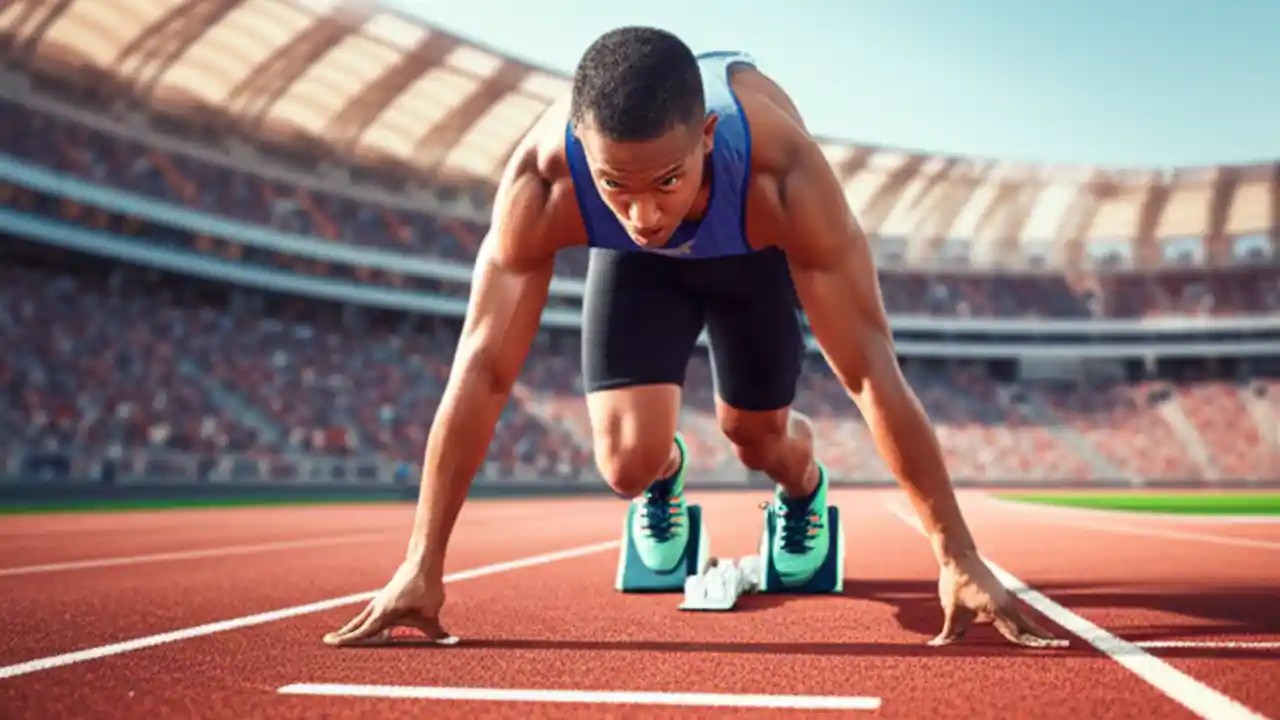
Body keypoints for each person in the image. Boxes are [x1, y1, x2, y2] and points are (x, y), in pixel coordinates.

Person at [325, 27, 1066, 649]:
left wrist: (956, 553)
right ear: (582, 147)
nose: (643, 215)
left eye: (666, 181)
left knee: (755, 439)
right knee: (626, 464)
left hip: (750, 252)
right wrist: (421, 562)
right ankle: (665, 471)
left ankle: (802, 489)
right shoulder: (546, 183)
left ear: (707, 137)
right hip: (636, 273)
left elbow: (872, 371)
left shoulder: (785, 177)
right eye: (615, 184)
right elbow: (484, 367)